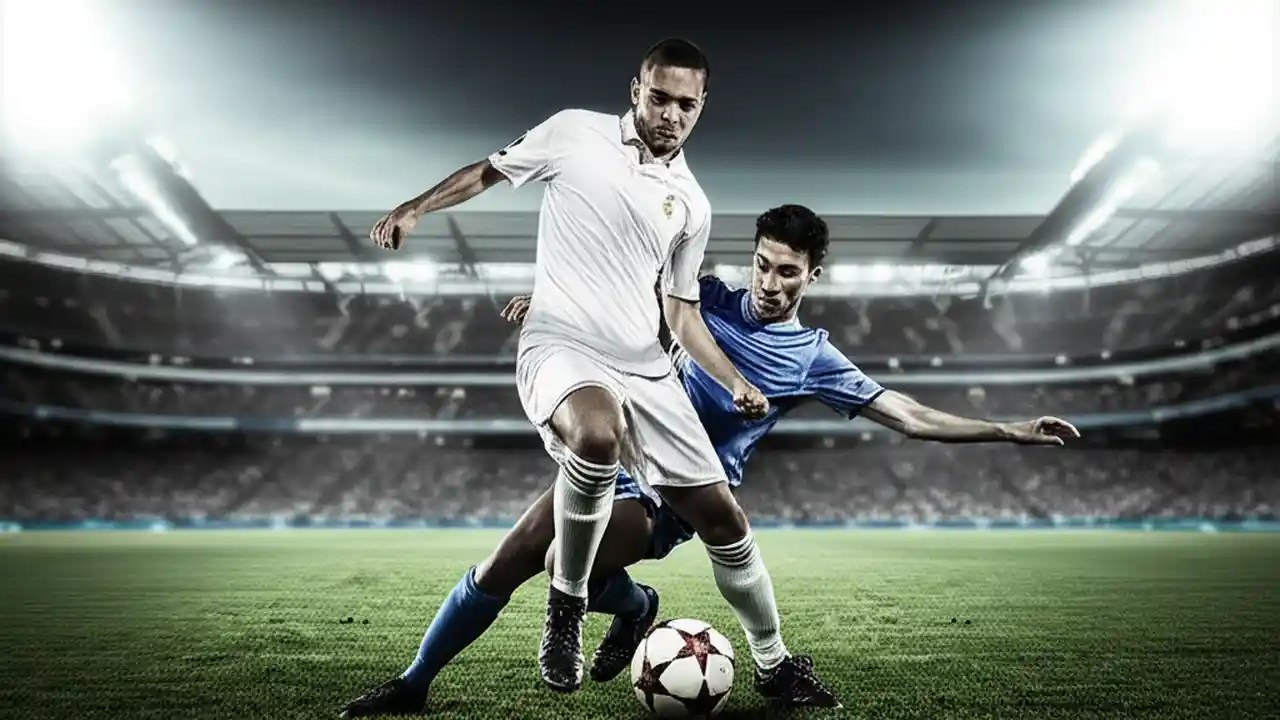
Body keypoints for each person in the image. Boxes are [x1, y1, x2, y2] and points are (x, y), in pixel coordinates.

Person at [341, 204, 1080, 717]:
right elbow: (622, 292)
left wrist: (1007, 430)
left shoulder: (814, 358)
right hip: (618, 454)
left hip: (677, 496)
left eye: (788, 272)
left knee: (543, 557)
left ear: (812, 277)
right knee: (520, 558)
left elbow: (909, 416)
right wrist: (548, 298)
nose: (770, 282)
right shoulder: (705, 298)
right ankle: (423, 680)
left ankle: (673, 623)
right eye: (763, 265)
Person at [350, 38, 825, 713]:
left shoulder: (692, 202)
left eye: (686, 104)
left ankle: (771, 665)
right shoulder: (573, 131)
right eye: (659, 97)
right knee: (594, 441)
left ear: (702, 105)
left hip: (645, 369)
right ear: (636, 87)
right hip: (563, 346)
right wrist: (416, 208)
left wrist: (732, 382)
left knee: (725, 520)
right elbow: (488, 170)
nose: (670, 114)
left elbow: (682, 314)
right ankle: (553, 614)